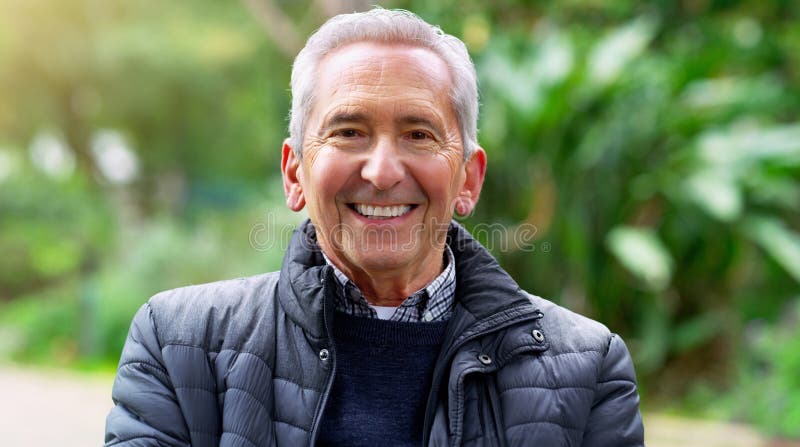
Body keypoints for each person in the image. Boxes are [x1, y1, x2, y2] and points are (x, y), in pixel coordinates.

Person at [105, 8, 644, 447]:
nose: (383, 172)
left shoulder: (587, 370)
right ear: (296, 173)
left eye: (418, 134)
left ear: (468, 180)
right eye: (349, 131)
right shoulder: (177, 345)